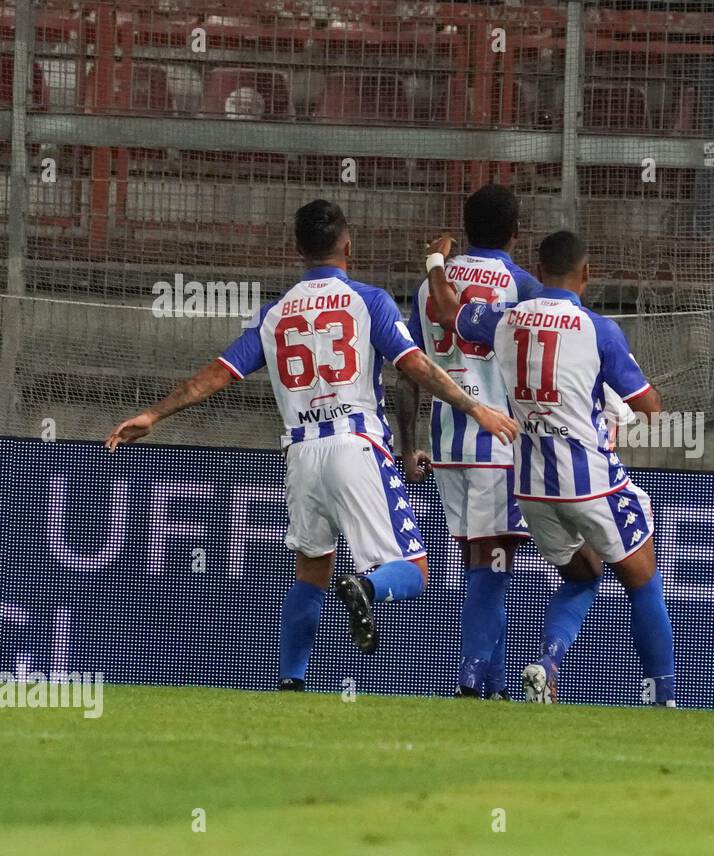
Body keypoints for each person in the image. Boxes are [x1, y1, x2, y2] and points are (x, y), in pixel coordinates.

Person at [105, 200, 517, 690]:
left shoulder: (275, 313)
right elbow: (416, 367)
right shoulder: (369, 300)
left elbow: (219, 372)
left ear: (298, 249)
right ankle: (365, 587)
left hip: (300, 453)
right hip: (355, 444)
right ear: (348, 245)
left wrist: (153, 413)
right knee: (412, 570)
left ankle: (291, 682)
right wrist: (477, 409)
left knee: (311, 567)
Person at [438, 230, 676, 706]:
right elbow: (650, 407)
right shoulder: (599, 330)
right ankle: (663, 698)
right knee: (643, 577)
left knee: (585, 575)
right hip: (589, 482)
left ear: (538, 270)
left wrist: (434, 262)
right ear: (586, 274)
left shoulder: (504, 320)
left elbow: (448, 312)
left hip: (531, 489)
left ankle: (546, 665)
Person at [394, 185, 543, 699]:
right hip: (497, 444)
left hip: (446, 446)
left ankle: (493, 683)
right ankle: (472, 678)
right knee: (494, 564)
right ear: (515, 234)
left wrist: (406, 444)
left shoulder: (426, 287)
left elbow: (408, 372)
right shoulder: (520, 285)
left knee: (481, 563)